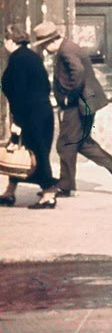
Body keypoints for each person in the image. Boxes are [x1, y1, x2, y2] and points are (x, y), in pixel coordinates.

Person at [32, 22, 112, 199]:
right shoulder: (68, 47)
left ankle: (66, 185)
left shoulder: (65, 51)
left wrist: (69, 95)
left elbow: (78, 72)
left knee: (66, 144)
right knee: (82, 143)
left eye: (44, 45)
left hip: (78, 103)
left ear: (51, 41)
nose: (45, 49)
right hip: (86, 101)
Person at [1, 24, 61, 209]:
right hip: (40, 112)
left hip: (29, 116)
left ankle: (49, 193)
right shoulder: (31, 56)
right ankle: (10, 191)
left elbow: (19, 93)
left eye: (5, 40)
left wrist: (17, 122)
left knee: (35, 155)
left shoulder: (18, 59)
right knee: (20, 152)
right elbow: (44, 86)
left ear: (10, 41)